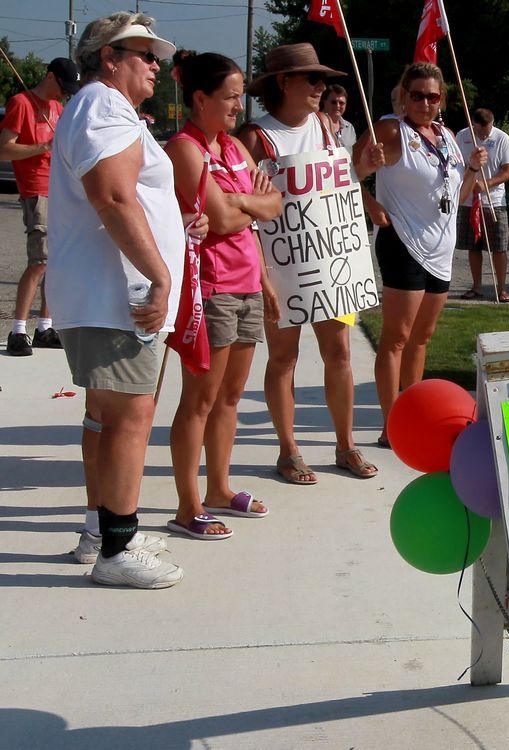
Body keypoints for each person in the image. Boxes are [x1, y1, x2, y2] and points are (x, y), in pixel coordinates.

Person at [48, 13, 192, 587]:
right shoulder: (104, 106)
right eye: (144, 53)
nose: (156, 64)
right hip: (119, 298)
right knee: (131, 416)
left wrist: (174, 226)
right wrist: (159, 275)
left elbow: (125, 195)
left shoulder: (101, 109)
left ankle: (104, 531)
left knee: (108, 417)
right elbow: (111, 195)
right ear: (109, 58)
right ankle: (117, 550)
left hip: (105, 295)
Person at [238, 43, 382, 483]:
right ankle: (289, 450)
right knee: (284, 358)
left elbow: (335, 183)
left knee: (338, 352)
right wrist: (261, 274)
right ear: (284, 82)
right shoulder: (255, 137)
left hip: (330, 262)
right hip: (282, 265)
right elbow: (246, 209)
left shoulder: (324, 125)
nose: (322, 87)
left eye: (323, 79)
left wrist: (362, 168)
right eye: (313, 79)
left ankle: (346, 445)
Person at [164, 51, 282, 539]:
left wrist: (241, 205)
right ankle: (188, 505)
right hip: (211, 289)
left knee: (231, 397)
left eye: (239, 96)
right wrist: (245, 205)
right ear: (200, 98)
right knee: (200, 399)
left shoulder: (234, 147)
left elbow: (272, 203)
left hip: (248, 285)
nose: (239, 106)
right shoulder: (185, 149)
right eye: (230, 97)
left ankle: (217, 487)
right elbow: (227, 218)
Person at [353, 62, 486, 448]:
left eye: (432, 96)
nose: (425, 103)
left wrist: (474, 173)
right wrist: (370, 201)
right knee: (397, 338)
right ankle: (389, 423)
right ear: (404, 96)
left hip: (441, 250)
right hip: (402, 243)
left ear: (441, 99)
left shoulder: (446, 137)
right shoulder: (391, 130)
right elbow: (345, 170)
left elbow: (456, 197)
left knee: (422, 339)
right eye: (417, 95)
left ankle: (410, 418)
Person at [0, 58, 79, 357]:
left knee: (55, 263)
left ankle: (45, 327)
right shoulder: (21, 103)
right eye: (63, 86)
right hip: (36, 190)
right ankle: (18, 329)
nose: (64, 94)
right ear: (49, 77)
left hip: (59, 190)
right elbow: (4, 148)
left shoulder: (58, 109)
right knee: (39, 260)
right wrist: (44, 146)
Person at [456, 108, 509, 302]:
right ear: (473, 124)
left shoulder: (502, 138)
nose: (484, 135)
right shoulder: (462, 136)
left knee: (499, 247)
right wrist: (468, 179)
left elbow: (508, 171)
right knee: (473, 246)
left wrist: (485, 184)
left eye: (487, 131)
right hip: (468, 200)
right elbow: (456, 166)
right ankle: (476, 287)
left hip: (495, 201)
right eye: (481, 131)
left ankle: (502, 289)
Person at [320, 83, 356, 148]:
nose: (337, 106)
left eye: (341, 103)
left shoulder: (349, 128)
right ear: (324, 102)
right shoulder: (314, 125)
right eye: (333, 102)